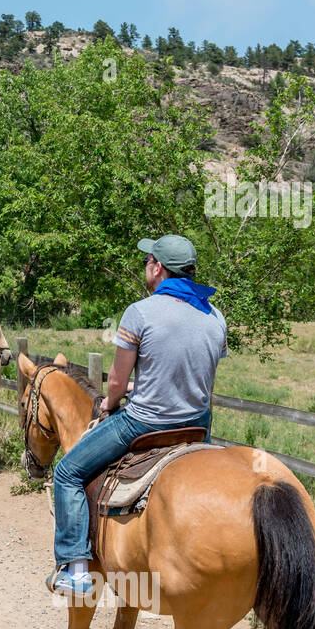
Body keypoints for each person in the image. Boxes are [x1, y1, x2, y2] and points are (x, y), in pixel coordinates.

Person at [47, 234, 228, 598]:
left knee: (67, 471)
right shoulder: (215, 315)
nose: (146, 266)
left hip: (145, 423)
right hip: (196, 426)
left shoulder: (140, 311)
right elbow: (193, 371)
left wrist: (112, 400)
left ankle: (76, 570)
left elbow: (116, 380)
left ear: (157, 267)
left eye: (148, 261)